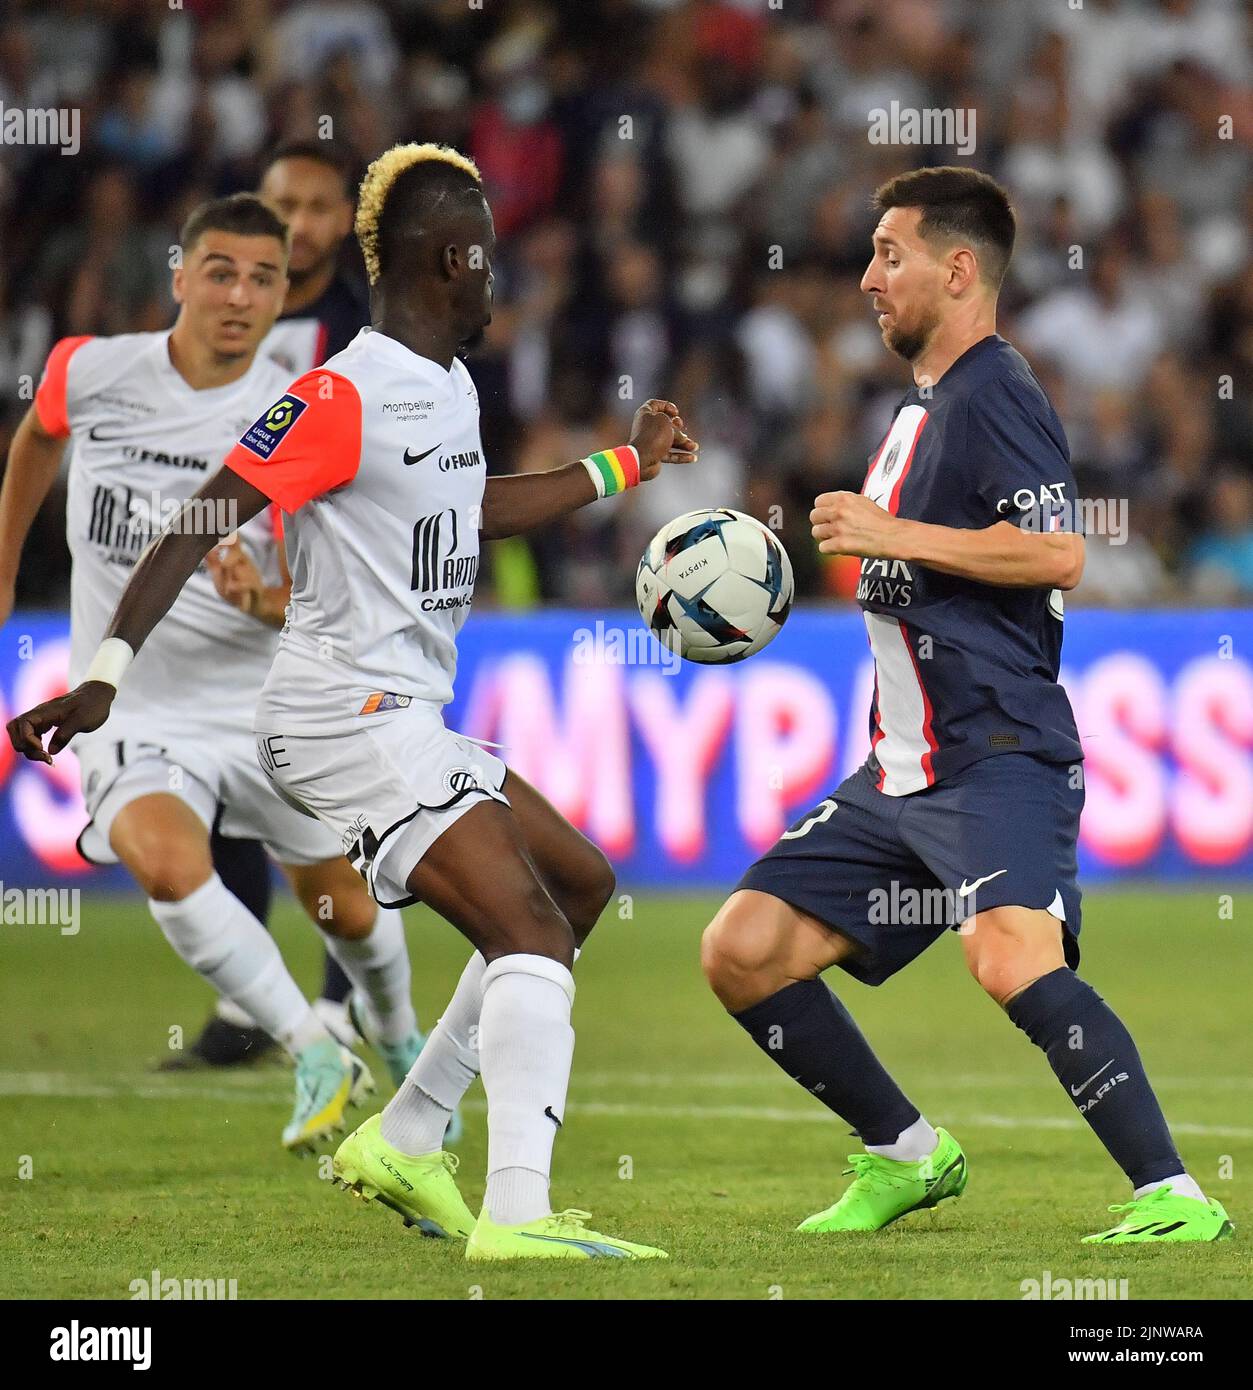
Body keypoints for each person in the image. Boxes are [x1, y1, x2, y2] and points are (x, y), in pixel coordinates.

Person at [7, 143, 700, 1260]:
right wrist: (101, 676)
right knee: (523, 927)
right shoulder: (337, 395)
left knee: (575, 887)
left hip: (406, 714)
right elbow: (195, 520)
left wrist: (624, 469)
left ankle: (409, 1135)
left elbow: (471, 508)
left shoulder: (450, 386)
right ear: (443, 257)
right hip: (341, 715)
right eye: (484, 254)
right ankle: (517, 1215)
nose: (496, 278)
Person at [700, 167, 1233, 1247]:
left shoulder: (995, 389)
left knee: (1006, 955)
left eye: (887, 254)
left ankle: (1171, 1194)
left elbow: (1056, 551)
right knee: (740, 949)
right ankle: (907, 1153)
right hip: (899, 766)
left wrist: (893, 536)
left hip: (995, 748)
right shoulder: (920, 405)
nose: (865, 278)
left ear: (956, 269)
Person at [0, 193, 428, 1152]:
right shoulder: (90, 370)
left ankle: (397, 1037)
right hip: (135, 702)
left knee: (348, 910)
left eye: (264, 278)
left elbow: (346, 569)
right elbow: (35, 442)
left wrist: (268, 604)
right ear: (180, 275)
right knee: (163, 860)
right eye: (222, 272)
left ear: (287, 293)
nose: (241, 295)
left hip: (265, 696)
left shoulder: (300, 406)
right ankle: (310, 1044)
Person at [186, 139, 373, 1070]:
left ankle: (345, 1002)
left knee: (334, 802)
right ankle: (246, 1003)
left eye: (316, 207)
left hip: (324, 596)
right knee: (227, 803)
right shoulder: (217, 322)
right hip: (221, 590)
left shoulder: (361, 335)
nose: (298, 224)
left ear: (346, 222)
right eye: (281, 204)